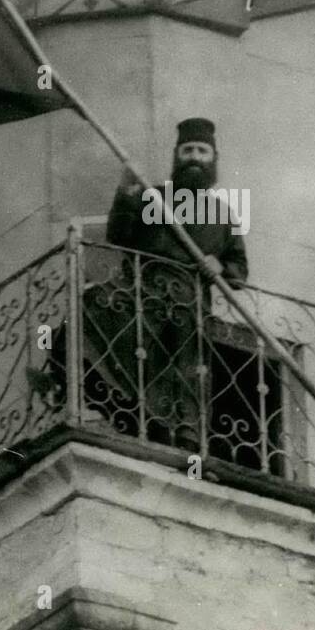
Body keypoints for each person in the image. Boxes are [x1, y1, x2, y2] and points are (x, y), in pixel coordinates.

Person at [85, 118, 248, 449]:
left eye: (201, 151)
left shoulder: (222, 214)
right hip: (144, 290)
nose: (194, 157)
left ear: (213, 159)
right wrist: (126, 192)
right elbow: (119, 235)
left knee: (186, 370)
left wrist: (220, 266)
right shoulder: (155, 198)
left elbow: (239, 269)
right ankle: (118, 408)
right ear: (177, 156)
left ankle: (186, 441)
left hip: (190, 300)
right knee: (101, 313)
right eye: (187, 150)